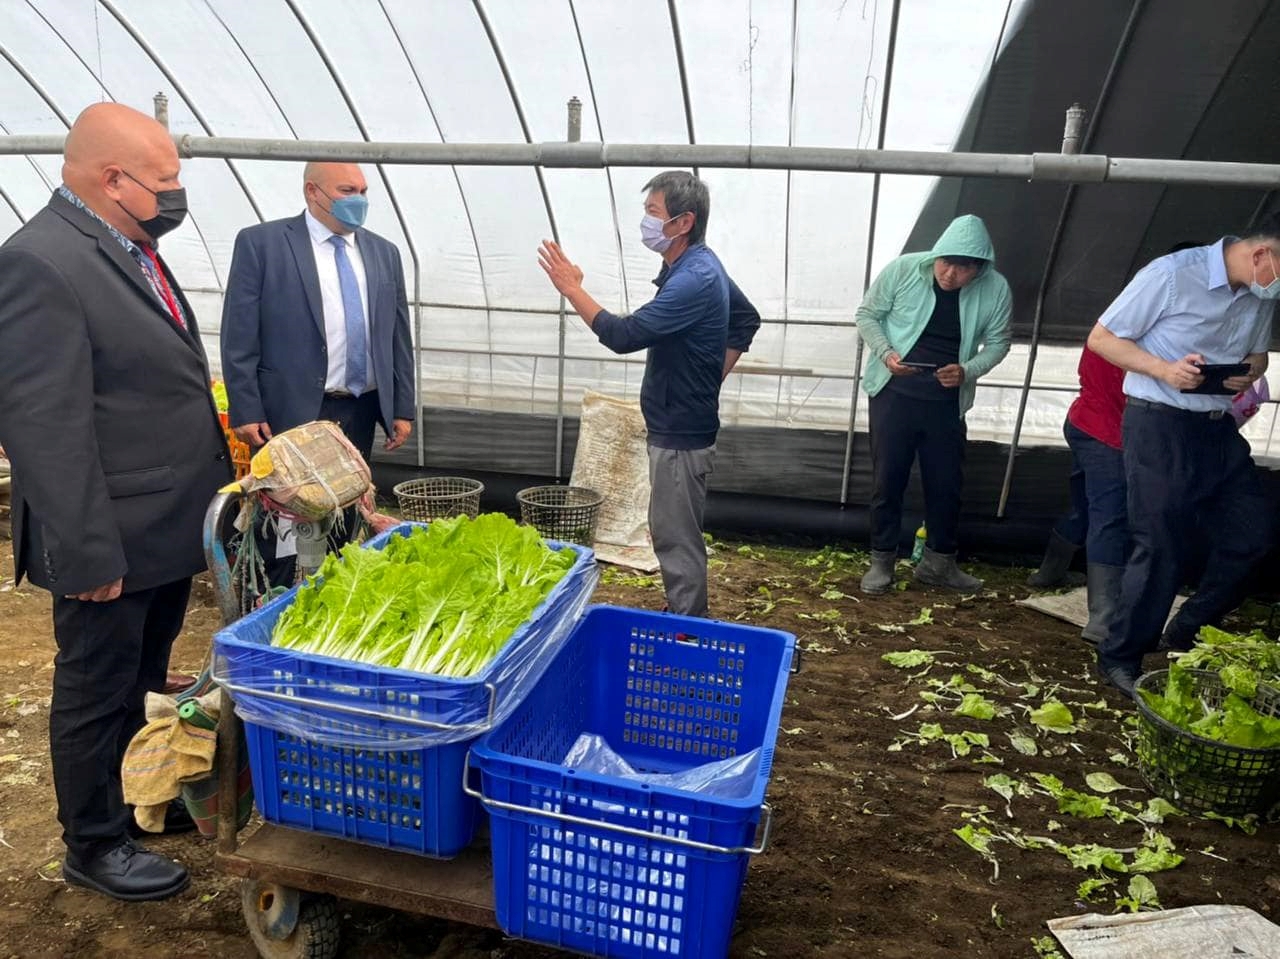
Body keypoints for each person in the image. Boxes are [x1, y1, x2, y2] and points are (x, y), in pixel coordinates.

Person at [0, 102, 232, 900]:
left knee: (142, 673)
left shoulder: (125, 246)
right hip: (110, 540)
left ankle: (130, 799)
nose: (175, 193)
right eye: (165, 179)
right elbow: (44, 426)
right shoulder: (41, 261)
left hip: (159, 528)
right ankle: (92, 844)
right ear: (112, 179)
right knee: (95, 688)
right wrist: (88, 552)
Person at [537, 171, 760, 617]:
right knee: (673, 528)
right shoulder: (697, 264)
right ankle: (685, 617)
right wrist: (708, 377)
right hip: (678, 420)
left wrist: (573, 289)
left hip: (681, 433)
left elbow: (624, 335)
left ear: (683, 222)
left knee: (674, 535)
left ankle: (686, 627)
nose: (646, 222)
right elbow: (746, 319)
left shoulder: (694, 278)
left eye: (653, 213)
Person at [1088, 220, 1278, 698]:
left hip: (1216, 426)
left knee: (1255, 534)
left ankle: (1187, 625)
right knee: (1160, 543)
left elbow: (1259, 356)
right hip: (1159, 424)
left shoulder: (1260, 294)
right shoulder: (1171, 274)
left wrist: (1248, 372)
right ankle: (1120, 656)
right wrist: (1165, 369)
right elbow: (1103, 339)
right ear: (1261, 257)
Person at [220, 162, 415, 584]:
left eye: (363, 190)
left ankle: (334, 587)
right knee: (288, 517)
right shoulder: (263, 244)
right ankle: (278, 597)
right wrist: (245, 407)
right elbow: (239, 334)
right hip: (290, 408)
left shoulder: (384, 252)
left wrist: (401, 406)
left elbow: (397, 333)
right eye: (347, 190)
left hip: (358, 409)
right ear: (313, 192)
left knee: (345, 511)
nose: (359, 200)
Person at [856, 215, 1012, 594]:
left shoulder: (995, 289)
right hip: (895, 392)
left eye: (962, 268)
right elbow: (867, 315)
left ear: (979, 268)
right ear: (936, 256)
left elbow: (999, 342)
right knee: (887, 479)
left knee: (946, 483)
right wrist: (887, 354)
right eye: (946, 263)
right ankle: (882, 561)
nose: (950, 274)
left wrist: (967, 370)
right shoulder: (905, 270)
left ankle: (939, 563)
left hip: (946, 401)